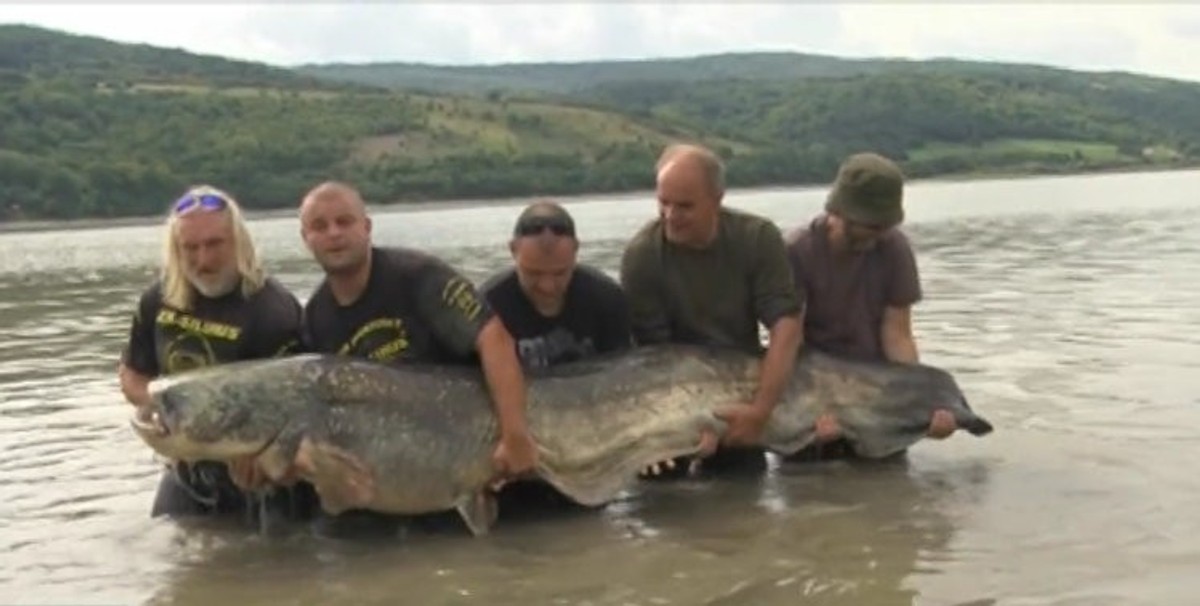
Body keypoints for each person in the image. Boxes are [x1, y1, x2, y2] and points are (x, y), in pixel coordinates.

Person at [297, 181, 538, 497]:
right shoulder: (315, 316)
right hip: (394, 459)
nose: (333, 233)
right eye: (319, 226)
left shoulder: (419, 276)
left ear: (366, 227)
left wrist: (515, 434)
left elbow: (494, 340)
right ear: (305, 238)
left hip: (470, 433)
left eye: (344, 222)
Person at [118, 184, 311, 526]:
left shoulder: (272, 310)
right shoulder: (157, 300)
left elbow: (298, 407)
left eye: (214, 244)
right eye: (190, 248)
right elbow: (132, 375)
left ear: (238, 241)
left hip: (257, 481)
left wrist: (263, 459)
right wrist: (167, 410)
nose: (203, 260)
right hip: (185, 471)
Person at [619, 143, 804, 474]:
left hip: (741, 391)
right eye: (663, 203)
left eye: (685, 206)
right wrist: (681, 430)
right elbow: (652, 356)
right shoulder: (642, 256)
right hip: (670, 392)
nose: (670, 216)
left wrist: (761, 411)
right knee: (660, 492)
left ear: (717, 200)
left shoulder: (757, 238)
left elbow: (786, 327)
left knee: (743, 491)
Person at [783, 152, 956, 461]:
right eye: (871, 226)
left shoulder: (894, 248)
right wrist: (803, 415)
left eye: (885, 226)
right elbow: (790, 342)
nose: (879, 235)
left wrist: (919, 400)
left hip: (876, 390)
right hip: (816, 387)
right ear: (840, 213)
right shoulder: (797, 251)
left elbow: (898, 335)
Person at [480, 200, 632, 370]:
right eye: (533, 273)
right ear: (513, 250)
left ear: (576, 250)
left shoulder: (607, 299)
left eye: (560, 273)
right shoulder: (488, 306)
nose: (547, 287)